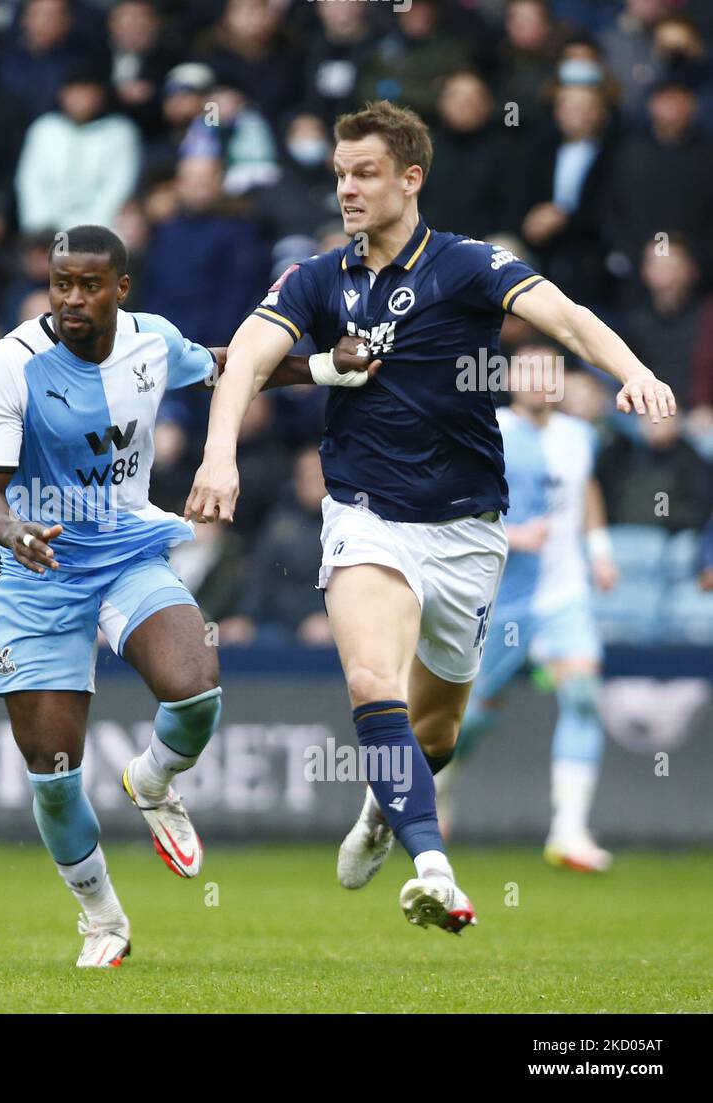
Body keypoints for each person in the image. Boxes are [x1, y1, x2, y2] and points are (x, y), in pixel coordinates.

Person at [185, 100, 676, 935]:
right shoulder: (314, 277)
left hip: (467, 530)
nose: (348, 189)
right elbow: (249, 358)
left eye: (366, 172)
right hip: (366, 516)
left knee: (437, 728)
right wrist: (218, 453)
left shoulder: (467, 265)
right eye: (341, 174)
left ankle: (386, 808)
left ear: (412, 178)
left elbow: (566, 317)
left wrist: (632, 369)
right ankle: (434, 865)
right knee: (373, 682)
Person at [0, 223, 370, 966]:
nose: (73, 298)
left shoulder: (151, 341)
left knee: (195, 685)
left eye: (90, 285)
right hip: (40, 573)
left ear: (122, 289)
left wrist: (322, 365)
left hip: (125, 551)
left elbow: (228, 367)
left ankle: (151, 780)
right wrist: (14, 529)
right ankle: (103, 918)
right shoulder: (9, 364)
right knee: (54, 778)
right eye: (62, 283)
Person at [435, 346, 619, 872]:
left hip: (565, 594)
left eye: (550, 375)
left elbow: (585, 489)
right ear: (511, 380)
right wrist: (513, 536)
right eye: (531, 374)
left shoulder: (579, 435)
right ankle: (442, 789)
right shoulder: (489, 431)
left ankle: (569, 830)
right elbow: (454, 505)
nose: (541, 384)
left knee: (583, 695)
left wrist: (600, 551)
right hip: (498, 599)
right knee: (468, 721)